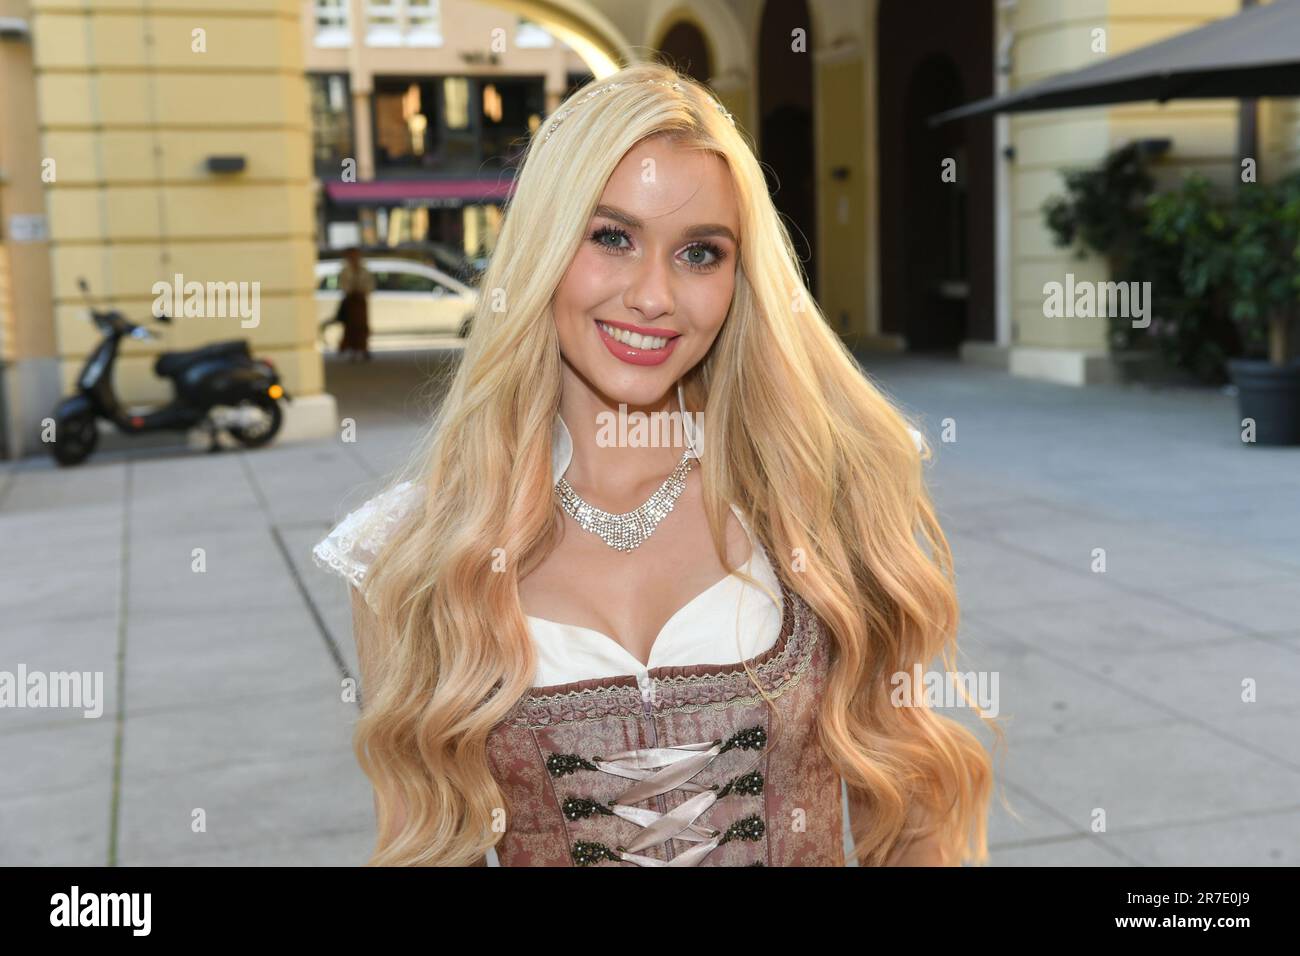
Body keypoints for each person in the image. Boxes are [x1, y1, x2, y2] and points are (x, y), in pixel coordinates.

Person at [313, 61, 1005, 867]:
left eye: (700, 254)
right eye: (612, 237)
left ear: (739, 278)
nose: (654, 295)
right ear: (542, 246)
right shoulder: (410, 552)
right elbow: (425, 848)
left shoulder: (822, 494)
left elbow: (916, 825)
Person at [336, 247, 373, 362]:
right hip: (351, 301)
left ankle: (363, 348)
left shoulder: (364, 270)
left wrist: (363, 291)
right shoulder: (345, 270)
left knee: (362, 326)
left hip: (361, 301)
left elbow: (370, 284)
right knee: (351, 327)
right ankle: (352, 349)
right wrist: (350, 290)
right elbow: (343, 285)